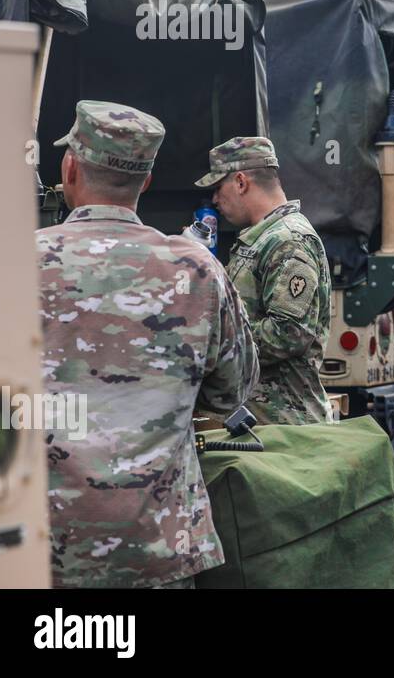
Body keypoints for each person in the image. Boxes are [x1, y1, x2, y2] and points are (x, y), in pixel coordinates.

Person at [37, 101, 258, 588]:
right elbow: (230, 394)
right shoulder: (197, 270)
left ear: (70, 167)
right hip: (157, 550)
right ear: (146, 181)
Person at [197, 136, 332, 425]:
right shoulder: (260, 239)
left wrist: (214, 343)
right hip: (261, 424)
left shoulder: (288, 240)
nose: (215, 200)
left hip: (285, 428)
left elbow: (289, 333)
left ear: (241, 182)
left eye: (218, 188)